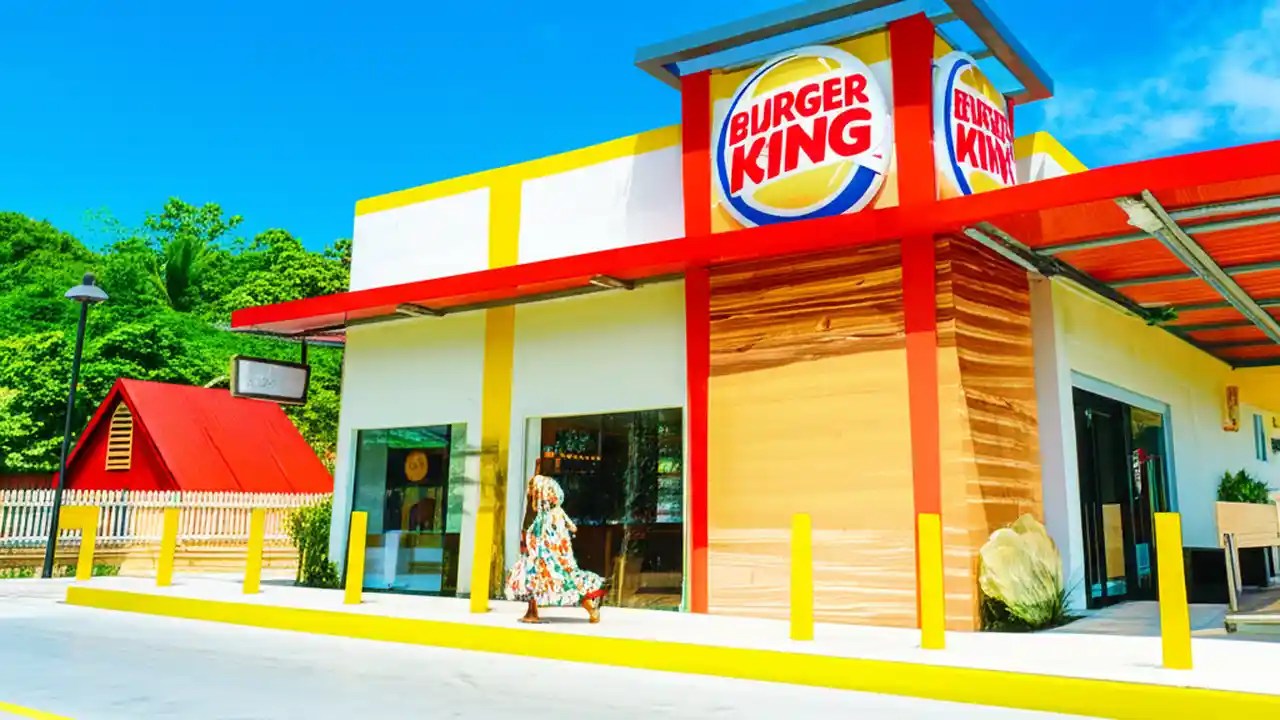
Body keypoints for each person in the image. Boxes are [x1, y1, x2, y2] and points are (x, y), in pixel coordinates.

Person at [504, 459, 604, 623]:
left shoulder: (548, 515)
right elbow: (571, 528)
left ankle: (590, 607)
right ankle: (534, 610)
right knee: (548, 580)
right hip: (552, 558)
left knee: (560, 581)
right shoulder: (552, 513)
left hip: (552, 558)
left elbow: (542, 531)